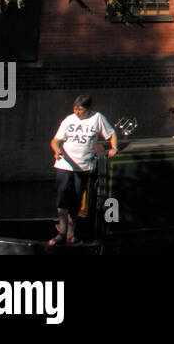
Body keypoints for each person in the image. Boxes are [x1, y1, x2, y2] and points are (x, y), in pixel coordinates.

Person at [50, 95, 117, 246]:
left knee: (76, 199)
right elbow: (55, 140)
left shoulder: (97, 118)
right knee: (63, 197)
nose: (77, 112)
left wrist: (114, 147)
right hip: (65, 165)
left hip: (83, 166)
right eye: (75, 108)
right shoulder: (69, 120)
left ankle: (71, 234)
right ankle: (61, 232)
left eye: (80, 109)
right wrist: (57, 150)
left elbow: (111, 133)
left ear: (88, 109)